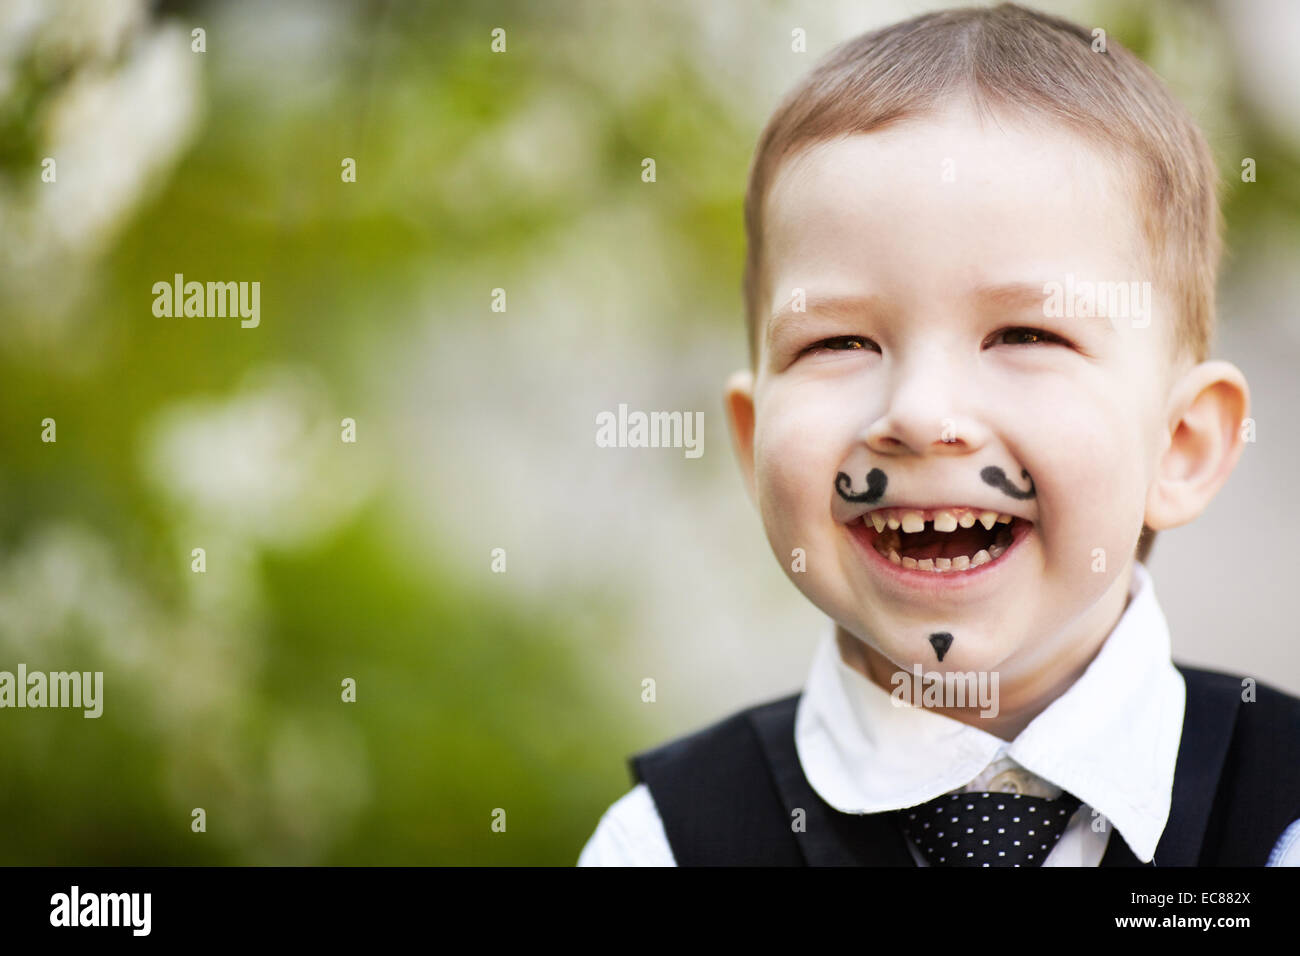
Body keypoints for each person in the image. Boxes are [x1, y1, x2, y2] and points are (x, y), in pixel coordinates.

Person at [578, 2, 1300, 867]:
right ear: (753, 437)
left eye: (1024, 335)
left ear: (1182, 445)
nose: (920, 416)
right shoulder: (664, 845)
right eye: (839, 343)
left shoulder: (1282, 822)